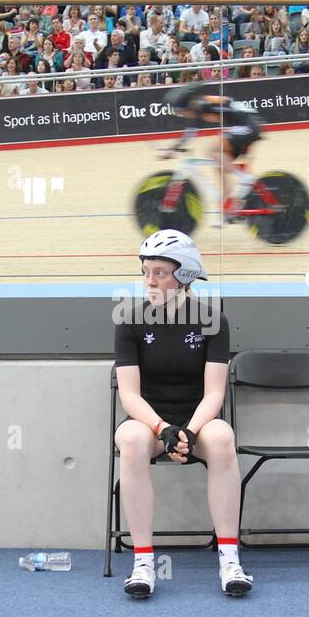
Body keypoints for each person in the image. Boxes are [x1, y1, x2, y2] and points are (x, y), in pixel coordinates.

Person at [112, 230, 250, 598]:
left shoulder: (213, 320)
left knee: (222, 438)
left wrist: (187, 431)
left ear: (185, 275)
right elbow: (129, 395)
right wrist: (162, 429)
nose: (149, 280)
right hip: (149, 420)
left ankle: (229, 560)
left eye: (159, 272)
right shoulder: (129, 321)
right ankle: (143, 563)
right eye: (146, 272)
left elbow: (215, 392)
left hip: (197, 420)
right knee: (130, 440)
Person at [162, 81, 263, 225]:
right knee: (219, 164)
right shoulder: (202, 102)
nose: (181, 115)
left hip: (248, 126)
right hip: (248, 125)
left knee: (211, 150)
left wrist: (172, 149)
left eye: (180, 112)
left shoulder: (201, 105)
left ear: (186, 105)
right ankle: (228, 206)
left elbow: (191, 132)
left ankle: (245, 178)